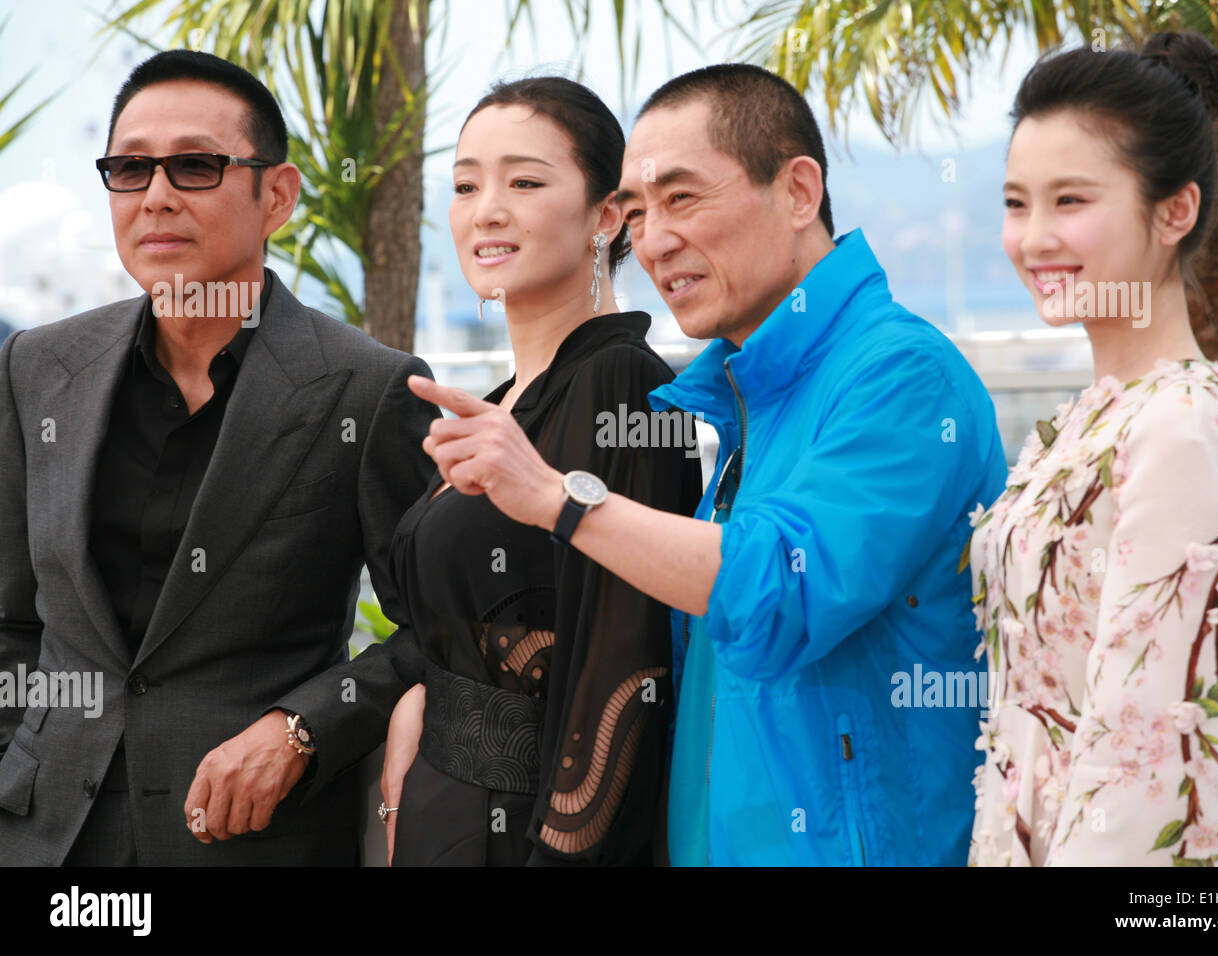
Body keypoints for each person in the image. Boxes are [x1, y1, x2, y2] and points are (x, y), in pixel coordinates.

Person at [411, 63, 1008, 865]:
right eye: (641, 209)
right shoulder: (745, 393)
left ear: (799, 192)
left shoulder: (901, 375)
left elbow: (778, 590)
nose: (652, 242)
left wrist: (559, 499)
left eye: (683, 199)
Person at [0, 50, 435, 865]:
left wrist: (301, 729)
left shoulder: (369, 390)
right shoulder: (38, 366)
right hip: (45, 836)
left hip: (253, 838)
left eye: (195, 166)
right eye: (130, 169)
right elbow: (12, 616)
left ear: (278, 194)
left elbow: (436, 625)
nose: (156, 195)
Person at [296, 76, 703, 866]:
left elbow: (623, 673)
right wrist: (423, 697)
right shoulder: (505, 405)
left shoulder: (622, 384)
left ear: (606, 215)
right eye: (464, 185)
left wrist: (563, 850)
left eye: (524, 181)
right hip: (441, 812)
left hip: (527, 835)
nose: (485, 209)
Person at [967, 32, 1218, 866]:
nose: (1033, 240)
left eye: (1070, 202)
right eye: (1016, 203)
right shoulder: (1084, 422)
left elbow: (1137, 746)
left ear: (1175, 210)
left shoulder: (1178, 424)